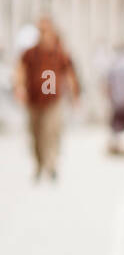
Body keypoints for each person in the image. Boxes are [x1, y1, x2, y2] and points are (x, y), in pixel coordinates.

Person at [13, 15, 80, 182]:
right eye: (40, 31)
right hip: (34, 100)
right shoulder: (29, 53)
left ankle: (51, 165)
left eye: (45, 31)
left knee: (51, 132)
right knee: (36, 133)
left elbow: (70, 74)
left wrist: (74, 94)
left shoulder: (59, 53)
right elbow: (20, 70)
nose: (43, 34)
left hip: (53, 101)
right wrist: (20, 88)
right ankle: (39, 164)